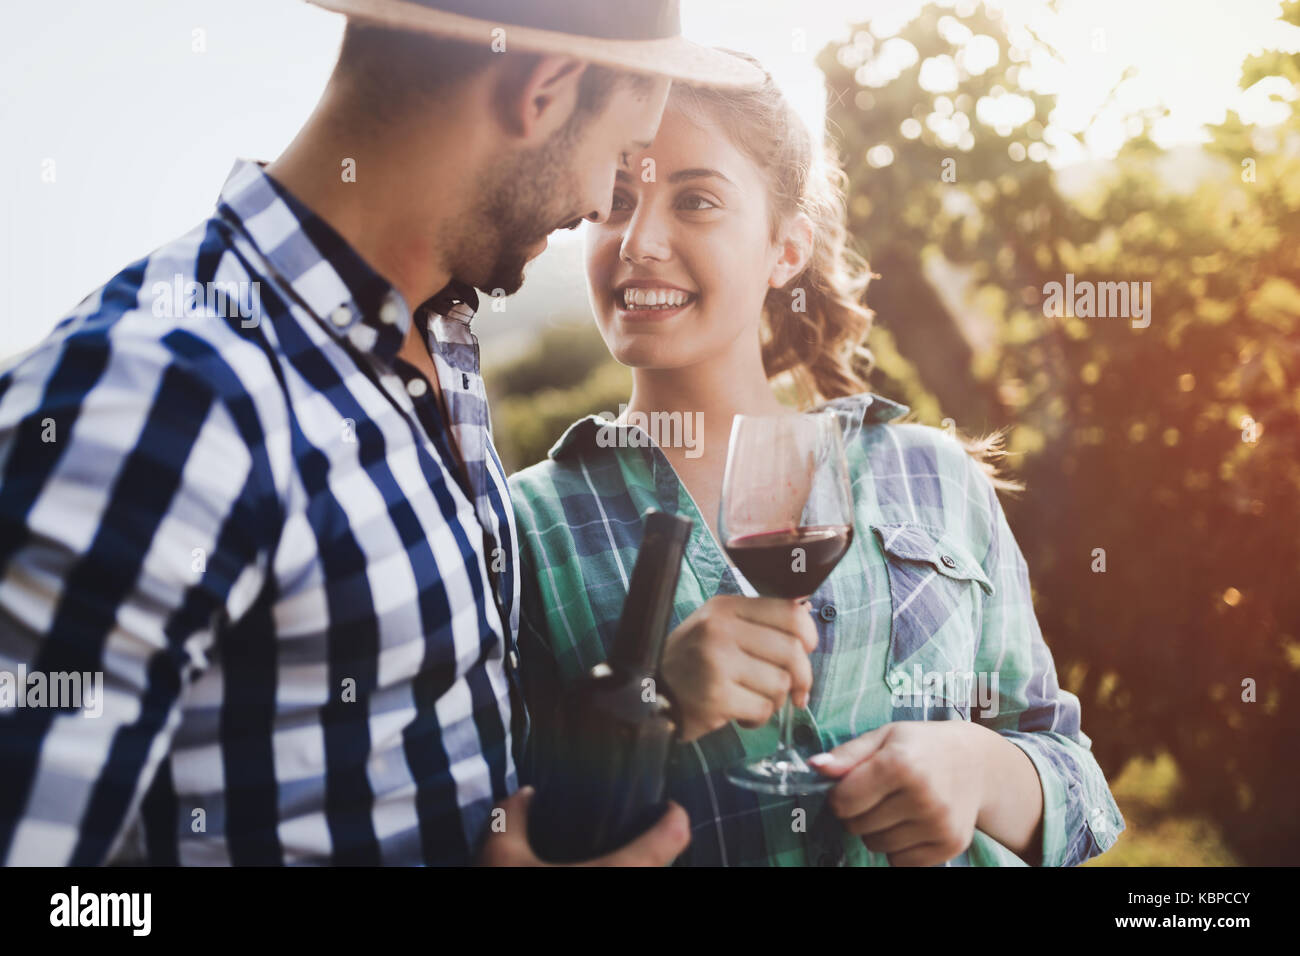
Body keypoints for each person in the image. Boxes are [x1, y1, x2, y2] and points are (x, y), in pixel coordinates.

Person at [0, 0, 764, 866]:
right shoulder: (158, 399)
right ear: (541, 90)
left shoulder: (440, 339)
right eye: (622, 157)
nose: (600, 204)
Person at [509, 51, 1126, 866]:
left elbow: (1078, 786)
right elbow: (505, 828)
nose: (639, 241)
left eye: (696, 200)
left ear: (786, 251)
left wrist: (981, 770)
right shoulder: (520, 526)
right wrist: (655, 708)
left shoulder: (930, 476)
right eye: (615, 202)